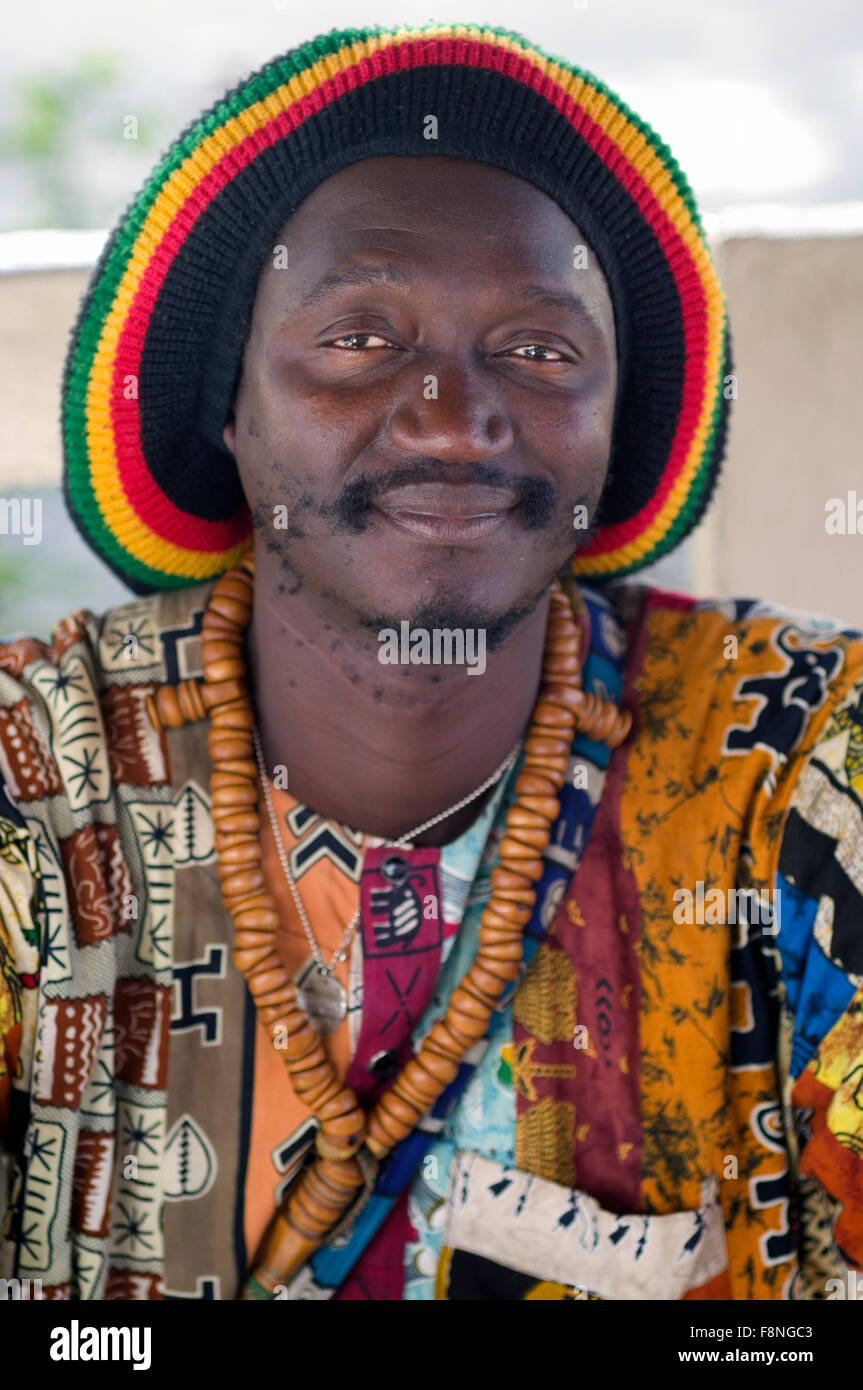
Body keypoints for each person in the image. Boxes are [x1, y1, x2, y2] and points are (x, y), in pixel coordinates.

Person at [0, 21, 861, 1302]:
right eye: (360, 337)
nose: (456, 419)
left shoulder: (799, 766)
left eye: (538, 349)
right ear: (228, 411)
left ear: (612, 430)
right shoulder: (34, 786)